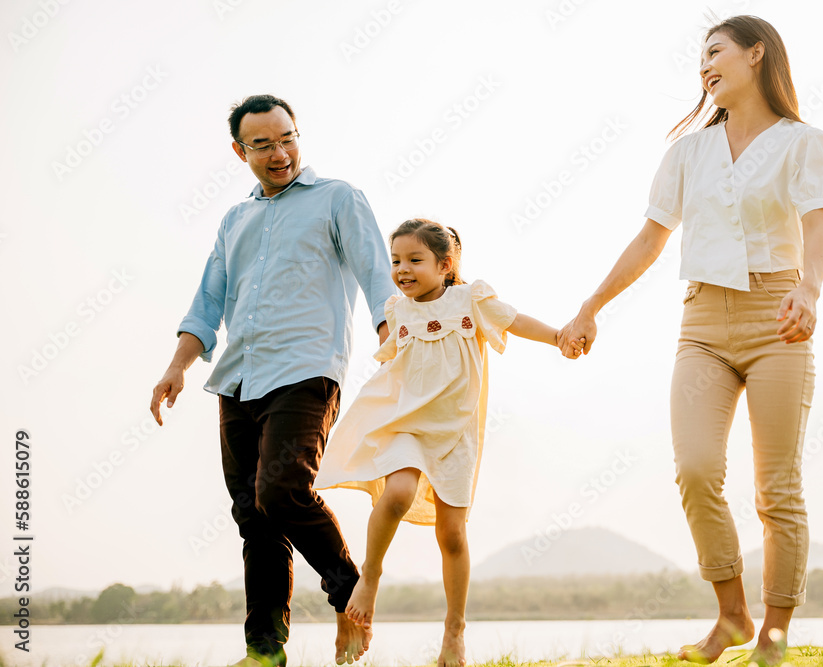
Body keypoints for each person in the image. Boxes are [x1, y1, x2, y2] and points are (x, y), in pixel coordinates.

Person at [557, 15, 823, 666]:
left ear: (756, 53)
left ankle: (773, 632)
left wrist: (809, 290)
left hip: (779, 316)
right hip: (702, 325)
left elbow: (818, 228)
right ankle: (731, 613)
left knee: (777, 486)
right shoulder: (687, 152)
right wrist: (591, 305)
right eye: (700, 58)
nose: (705, 66)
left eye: (715, 52)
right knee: (694, 470)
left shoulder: (807, 143)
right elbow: (652, 238)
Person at [149, 94, 397, 667]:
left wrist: (391, 331)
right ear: (241, 151)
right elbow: (208, 300)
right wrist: (177, 366)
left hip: (307, 370)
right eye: (263, 144)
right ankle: (264, 653)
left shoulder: (337, 198)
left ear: (298, 136)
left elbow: (373, 268)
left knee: (281, 489)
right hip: (238, 381)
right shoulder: (235, 219)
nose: (279, 152)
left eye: (287, 138)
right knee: (255, 518)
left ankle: (351, 593)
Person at [313, 218, 570, 667]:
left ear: (446, 264)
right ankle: (369, 578)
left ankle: (455, 632)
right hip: (407, 426)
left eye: (415, 260)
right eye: (396, 261)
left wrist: (558, 337)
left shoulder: (472, 299)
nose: (402, 269)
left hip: (455, 434)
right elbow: (388, 370)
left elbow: (516, 320)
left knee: (451, 535)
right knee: (396, 493)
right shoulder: (397, 311)